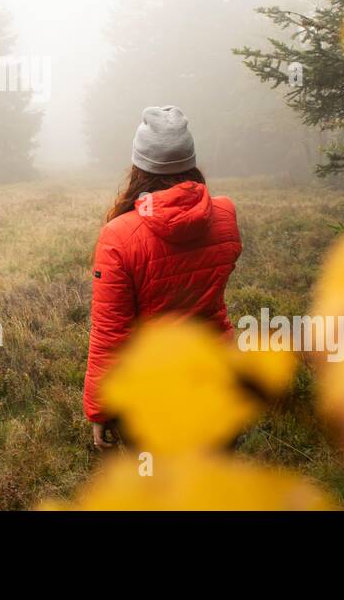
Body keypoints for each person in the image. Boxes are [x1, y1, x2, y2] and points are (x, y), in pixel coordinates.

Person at [83, 105, 243, 449]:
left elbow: (112, 333)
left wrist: (99, 409)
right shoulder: (226, 215)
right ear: (191, 161)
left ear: (139, 166)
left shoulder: (118, 235)